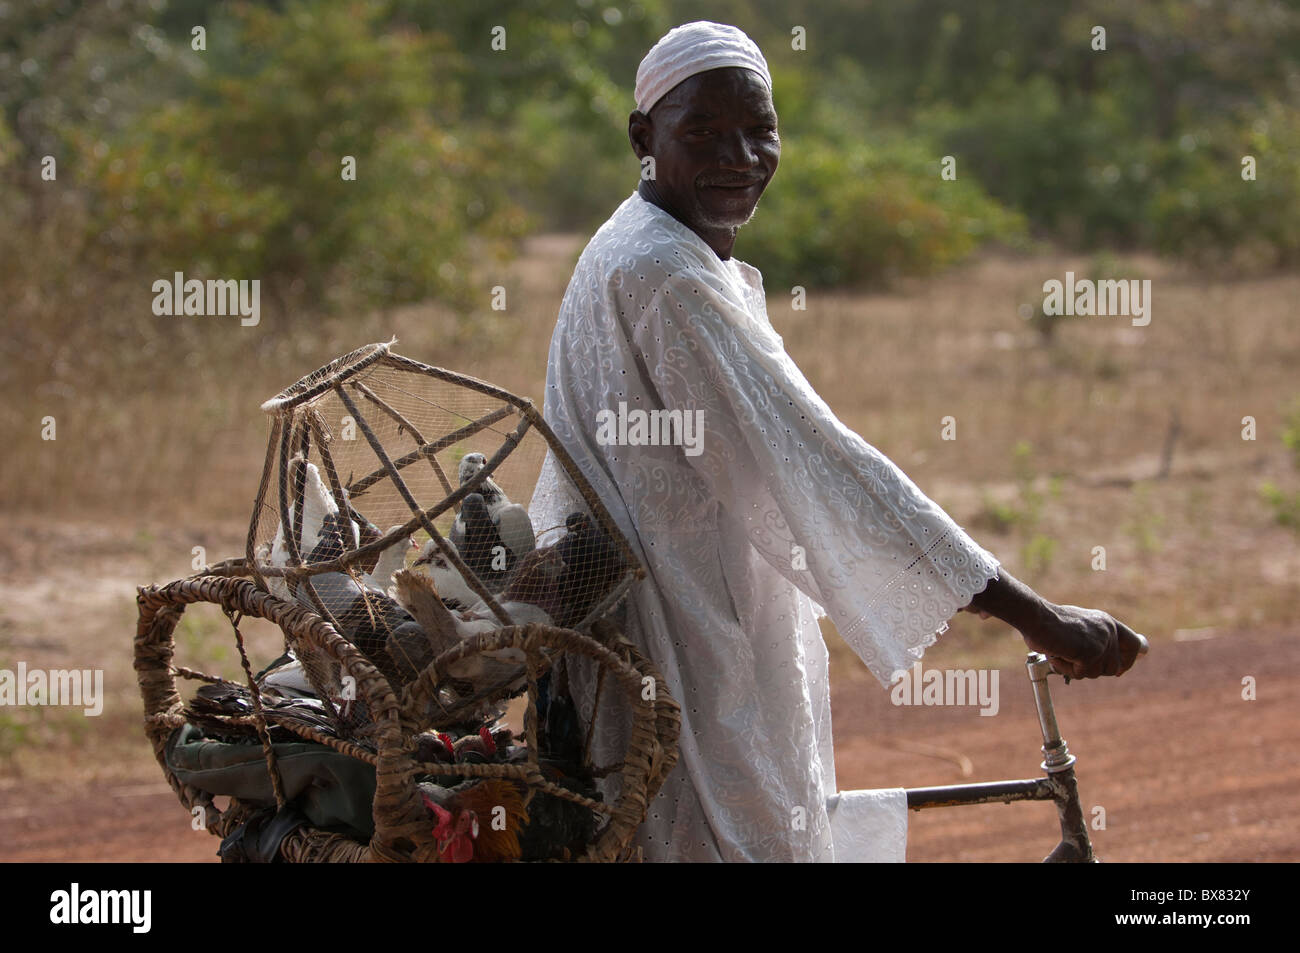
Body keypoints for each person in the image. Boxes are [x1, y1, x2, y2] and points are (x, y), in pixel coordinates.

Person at [527, 21, 1145, 862]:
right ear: (644, 138)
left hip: (673, 625)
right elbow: (823, 465)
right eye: (703, 132)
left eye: (758, 130)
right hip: (685, 642)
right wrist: (1037, 616)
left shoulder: (644, 246)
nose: (740, 155)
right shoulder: (666, 274)